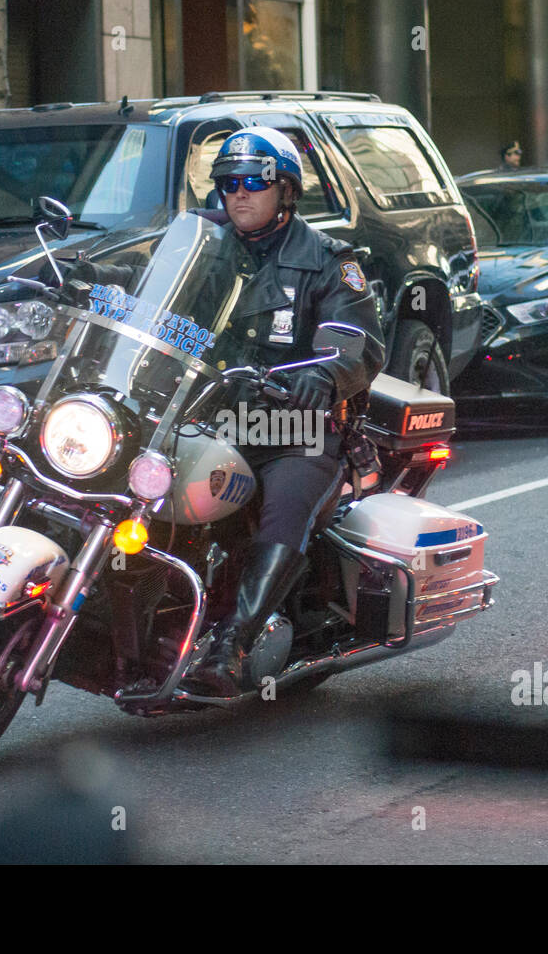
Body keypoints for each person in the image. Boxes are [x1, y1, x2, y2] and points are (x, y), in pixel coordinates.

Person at [179, 127, 386, 696]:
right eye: (227, 184)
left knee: (288, 500)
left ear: (286, 191)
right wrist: (93, 285)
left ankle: (231, 642)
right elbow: (147, 288)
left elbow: (358, 340)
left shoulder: (328, 260)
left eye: (253, 182)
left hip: (294, 427)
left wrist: (325, 373)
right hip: (206, 413)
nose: (238, 194)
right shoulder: (203, 244)